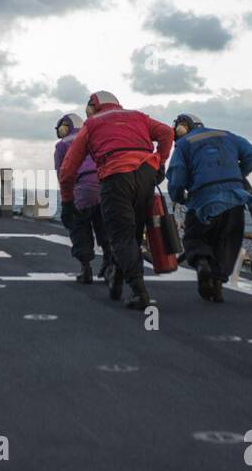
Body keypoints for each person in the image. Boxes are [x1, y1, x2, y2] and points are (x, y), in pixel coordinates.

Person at [59, 91, 173, 310]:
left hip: (116, 177)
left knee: (121, 235)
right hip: (145, 175)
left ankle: (139, 291)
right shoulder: (139, 116)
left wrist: (66, 202)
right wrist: (159, 163)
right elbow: (167, 132)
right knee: (134, 234)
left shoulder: (91, 125)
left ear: (93, 106)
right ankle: (117, 278)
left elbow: (67, 170)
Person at [166, 114, 252, 302]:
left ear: (181, 129)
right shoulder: (227, 135)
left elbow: (176, 176)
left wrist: (179, 197)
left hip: (202, 200)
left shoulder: (184, 145)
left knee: (195, 238)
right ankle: (217, 286)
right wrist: (239, 175)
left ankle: (202, 263)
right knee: (227, 242)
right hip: (235, 199)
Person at [54, 113, 111, 283]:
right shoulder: (96, 138)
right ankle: (109, 266)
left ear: (65, 127)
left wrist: (67, 201)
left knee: (79, 229)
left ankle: (85, 268)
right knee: (105, 230)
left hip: (82, 191)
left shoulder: (62, 145)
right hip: (105, 187)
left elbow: (62, 174)